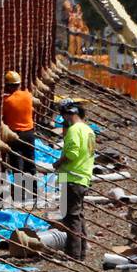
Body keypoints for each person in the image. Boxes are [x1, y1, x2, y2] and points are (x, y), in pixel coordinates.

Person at [54, 101, 95, 260]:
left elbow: (72, 153)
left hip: (71, 177)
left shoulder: (74, 130)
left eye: (64, 116)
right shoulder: (89, 130)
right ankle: (81, 251)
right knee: (78, 216)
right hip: (83, 176)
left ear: (70, 114)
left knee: (70, 217)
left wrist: (58, 163)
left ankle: (73, 254)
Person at [1, 71, 36, 204]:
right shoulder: (27, 96)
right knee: (30, 163)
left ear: (8, 86)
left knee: (17, 165)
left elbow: (3, 117)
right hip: (29, 133)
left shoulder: (6, 101)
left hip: (15, 135)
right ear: (19, 84)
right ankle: (33, 193)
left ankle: (19, 195)